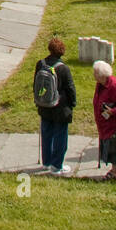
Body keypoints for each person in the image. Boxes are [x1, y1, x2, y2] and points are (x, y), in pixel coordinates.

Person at [33, 36, 76, 175]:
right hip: (60, 107)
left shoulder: (40, 64)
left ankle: (46, 162)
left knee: (46, 133)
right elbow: (70, 89)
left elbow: (35, 83)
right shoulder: (63, 69)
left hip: (44, 104)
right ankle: (57, 166)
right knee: (60, 136)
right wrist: (73, 103)